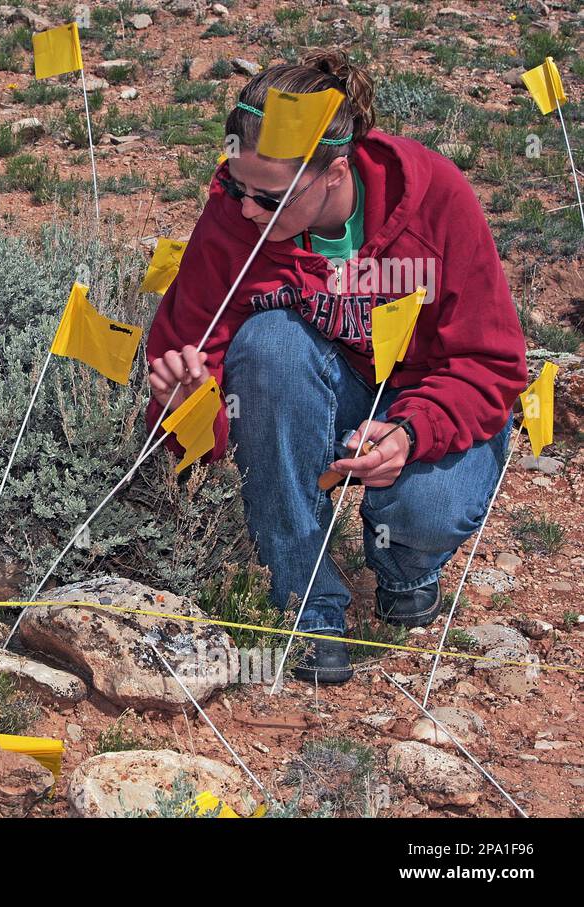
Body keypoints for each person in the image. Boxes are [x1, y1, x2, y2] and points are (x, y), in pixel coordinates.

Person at [144, 51, 527, 683]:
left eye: (269, 198)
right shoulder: (235, 215)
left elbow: (490, 363)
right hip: (320, 388)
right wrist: (187, 398)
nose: (245, 210)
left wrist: (411, 433)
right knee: (267, 346)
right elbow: (192, 347)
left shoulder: (436, 198)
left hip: (427, 401)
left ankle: (406, 568)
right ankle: (308, 604)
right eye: (235, 185)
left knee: (421, 512)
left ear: (334, 173)